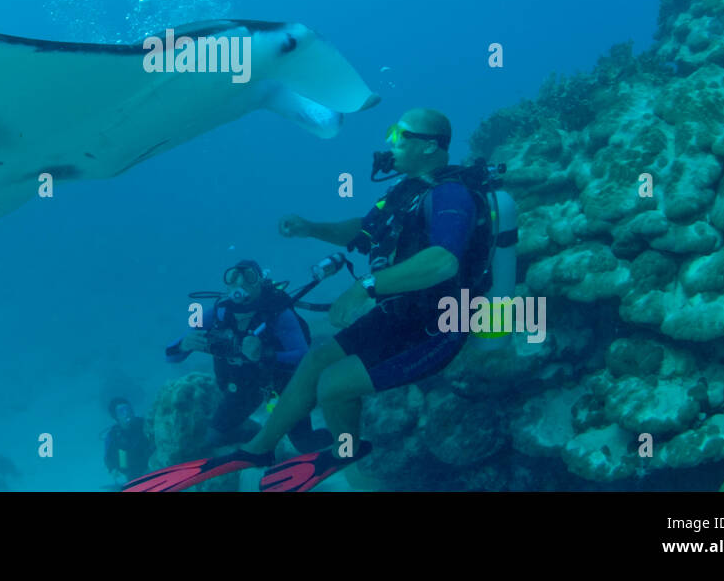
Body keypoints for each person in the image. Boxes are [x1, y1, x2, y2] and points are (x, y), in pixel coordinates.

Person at [124, 107, 490, 492]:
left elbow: (444, 261)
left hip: (441, 324)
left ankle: (346, 452)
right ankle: (257, 449)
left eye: (401, 136)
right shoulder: (405, 192)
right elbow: (363, 232)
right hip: (400, 314)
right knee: (317, 359)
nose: (391, 143)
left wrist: (364, 285)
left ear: (430, 147)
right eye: (391, 133)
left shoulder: (451, 193)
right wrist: (311, 228)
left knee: (333, 384)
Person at [165, 260, 330, 454]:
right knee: (212, 438)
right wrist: (183, 345)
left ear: (260, 281)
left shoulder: (277, 312)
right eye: (233, 277)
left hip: (282, 385)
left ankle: (346, 437)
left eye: (249, 277)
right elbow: (171, 355)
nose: (239, 284)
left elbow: (303, 356)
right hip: (242, 391)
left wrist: (265, 354)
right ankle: (255, 439)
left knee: (304, 443)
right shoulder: (217, 313)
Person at [103, 398, 152, 484]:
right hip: (131, 474)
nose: (127, 413)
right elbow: (108, 458)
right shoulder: (113, 435)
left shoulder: (145, 424)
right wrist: (113, 469)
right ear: (115, 416)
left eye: (128, 409)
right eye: (121, 411)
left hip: (153, 466)